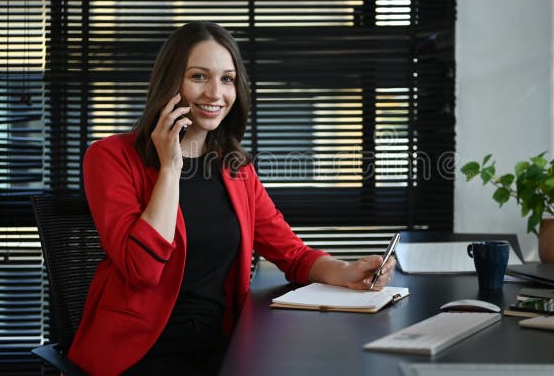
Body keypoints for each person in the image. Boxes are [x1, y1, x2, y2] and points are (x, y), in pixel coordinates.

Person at [67, 21, 397, 375]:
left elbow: (293, 254)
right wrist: (170, 168)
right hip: (141, 353)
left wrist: (346, 272)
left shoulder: (235, 168)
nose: (215, 93)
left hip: (223, 349)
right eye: (198, 76)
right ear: (170, 82)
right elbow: (143, 270)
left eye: (227, 79)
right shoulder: (110, 157)